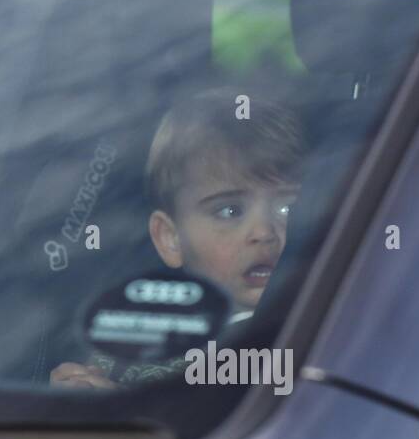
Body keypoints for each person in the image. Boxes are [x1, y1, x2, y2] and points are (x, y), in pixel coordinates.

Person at [51, 87, 304, 388]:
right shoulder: (137, 338)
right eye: (229, 211)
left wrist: (125, 411)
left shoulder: (317, 339)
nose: (264, 232)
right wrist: (81, 390)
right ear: (170, 239)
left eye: (287, 207)